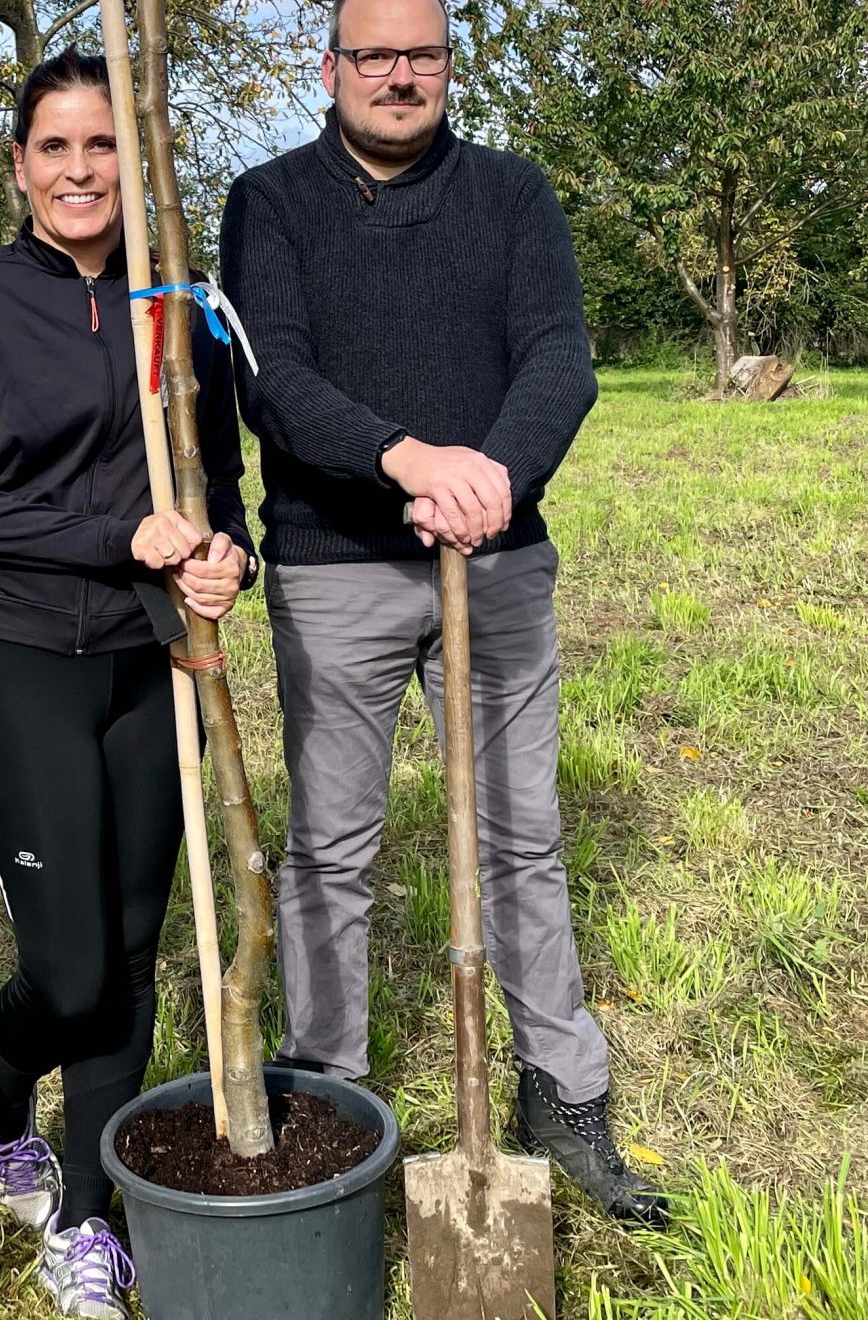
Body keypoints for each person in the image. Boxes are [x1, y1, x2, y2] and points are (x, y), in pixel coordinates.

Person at [219, 0, 669, 1225]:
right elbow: (274, 379)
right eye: (375, 55)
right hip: (334, 566)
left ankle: (563, 1101)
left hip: (498, 558)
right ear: (333, 68)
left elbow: (559, 358)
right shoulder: (267, 201)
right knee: (334, 852)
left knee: (524, 833)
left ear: (447, 66)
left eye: (422, 54)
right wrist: (409, 460)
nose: (399, 76)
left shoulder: (514, 196)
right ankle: (330, 1099)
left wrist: (493, 480)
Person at [0, 46, 257, 1320]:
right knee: (74, 971)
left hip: (153, 661)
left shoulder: (183, 309)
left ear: (136, 159)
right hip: (16, 655)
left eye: (103, 144)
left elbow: (222, 489)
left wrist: (226, 557)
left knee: (138, 949)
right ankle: (3, 1091)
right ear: (19, 167)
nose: (81, 169)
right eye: (55, 146)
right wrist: (118, 537)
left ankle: (88, 1224)